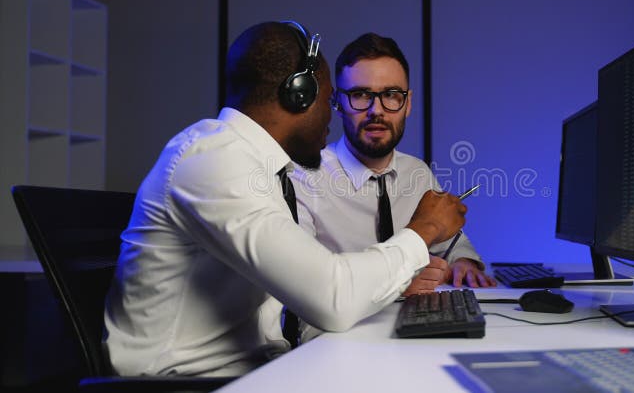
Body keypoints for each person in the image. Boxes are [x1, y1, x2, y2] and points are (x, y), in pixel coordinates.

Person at [103, 22, 467, 376]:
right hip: (191, 385)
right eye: (329, 99)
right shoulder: (212, 160)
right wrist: (424, 230)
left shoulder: (254, 165)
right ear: (299, 95)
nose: (332, 114)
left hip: (259, 372)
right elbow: (332, 298)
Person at [292, 32, 495, 298]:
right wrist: (395, 284)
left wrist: (463, 263)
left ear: (407, 103)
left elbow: (452, 243)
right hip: (341, 337)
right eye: (361, 94)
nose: (376, 110)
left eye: (391, 94)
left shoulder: (418, 174)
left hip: (416, 332)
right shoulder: (304, 179)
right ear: (337, 103)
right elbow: (306, 286)